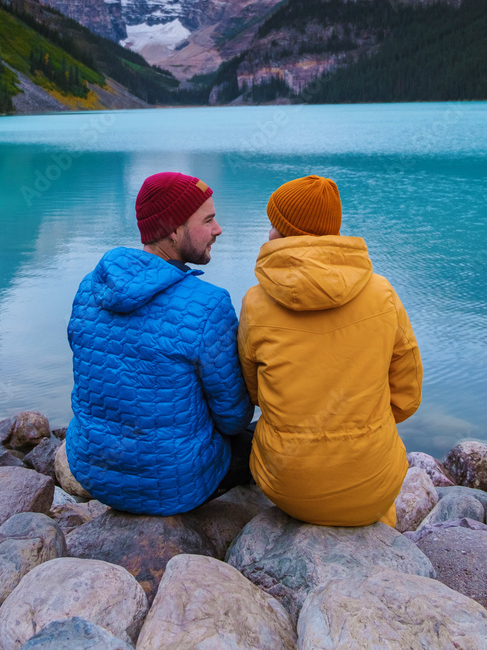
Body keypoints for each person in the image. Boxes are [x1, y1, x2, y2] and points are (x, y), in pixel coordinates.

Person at [237, 174, 422, 527]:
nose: (269, 233)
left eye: (274, 225)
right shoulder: (382, 294)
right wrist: (361, 424)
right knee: (378, 486)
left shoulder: (255, 303)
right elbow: (407, 396)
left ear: (287, 232)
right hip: (373, 482)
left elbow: (255, 393)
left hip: (287, 483)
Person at [66, 171, 254, 515]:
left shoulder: (89, 288)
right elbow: (233, 419)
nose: (218, 229)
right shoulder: (208, 304)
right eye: (208, 220)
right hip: (172, 484)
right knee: (263, 440)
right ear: (173, 231)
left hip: (92, 468)